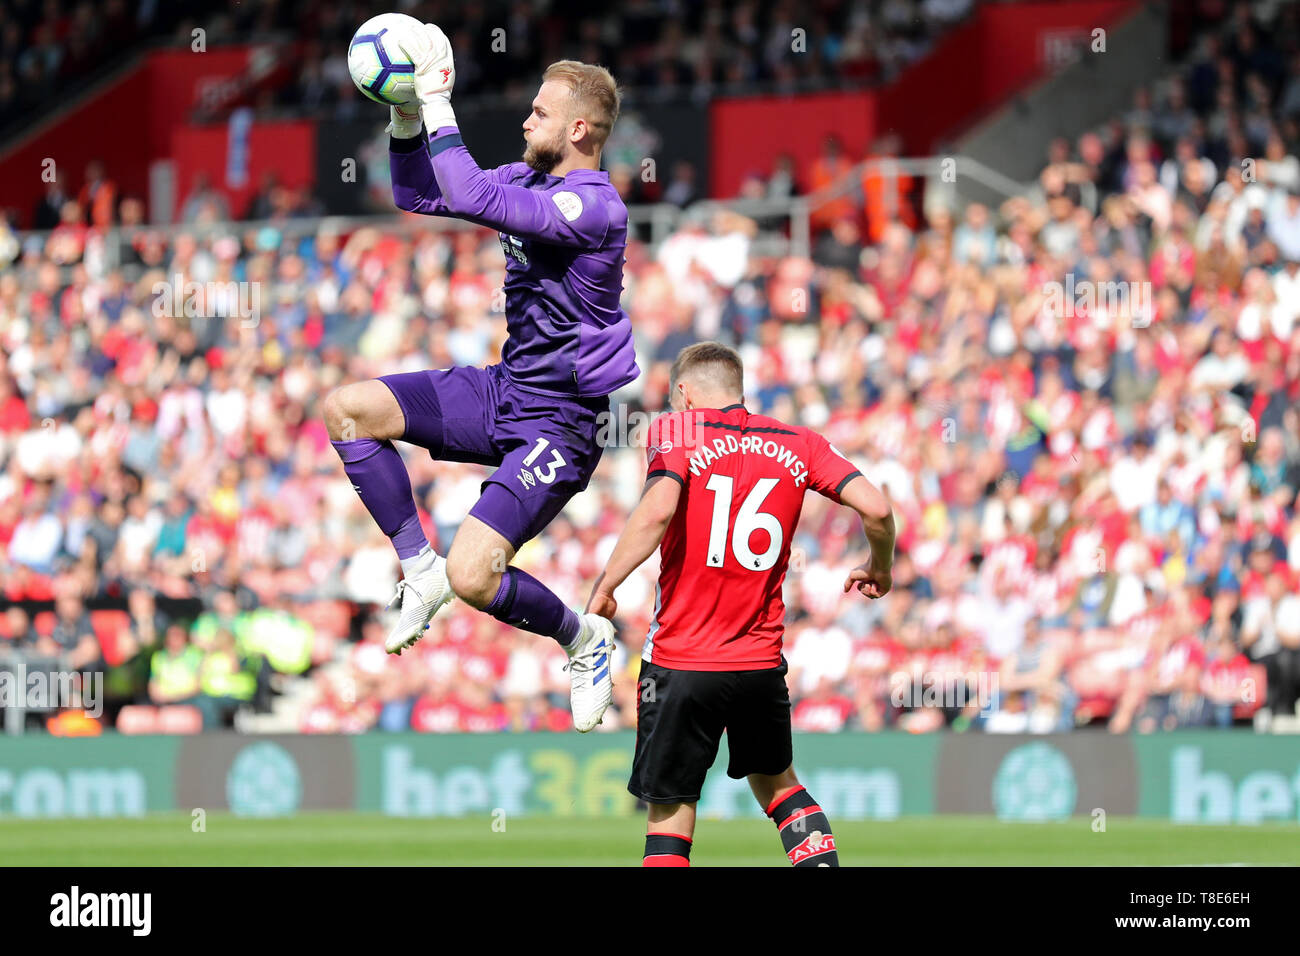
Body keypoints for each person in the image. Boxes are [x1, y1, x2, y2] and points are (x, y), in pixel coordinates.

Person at [322, 23, 635, 732]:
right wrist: (406, 116)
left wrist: (436, 98)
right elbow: (422, 194)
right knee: (348, 408)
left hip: (561, 423)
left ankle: (583, 641)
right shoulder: (528, 179)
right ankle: (416, 567)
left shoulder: (593, 205)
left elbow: (468, 191)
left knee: (476, 577)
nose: (526, 119)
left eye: (541, 112)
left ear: (579, 128)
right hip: (504, 389)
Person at [585, 342, 896, 867]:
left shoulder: (676, 432)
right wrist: (880, 566)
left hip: (682, 659)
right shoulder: (800, 442)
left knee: (670, 806)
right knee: (780, 787)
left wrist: (605, 586)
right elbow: (879, 508)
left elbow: (658, 510)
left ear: (684, 393)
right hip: (758, 661)